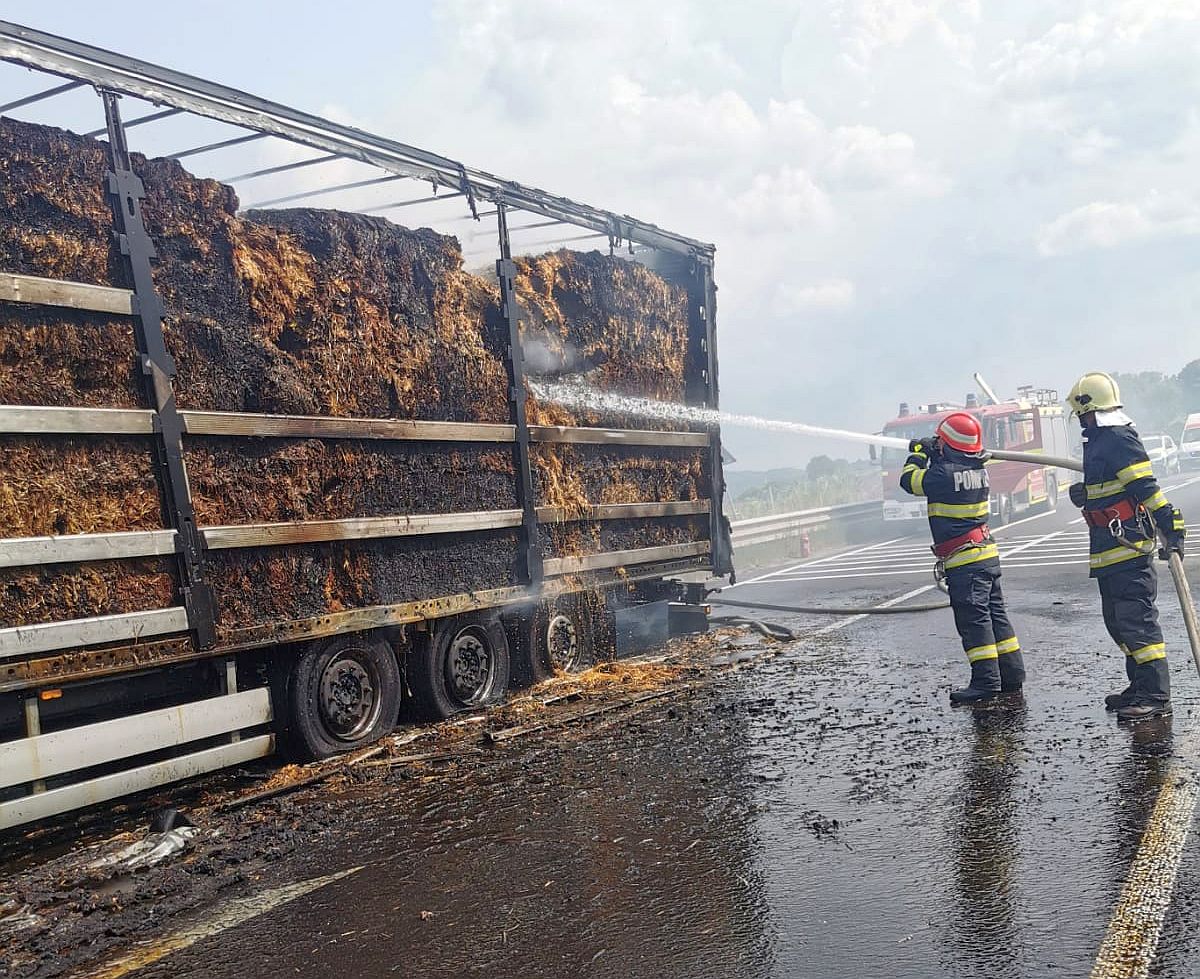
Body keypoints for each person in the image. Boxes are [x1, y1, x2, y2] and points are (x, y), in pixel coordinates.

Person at [1065, 371, 1187, 721]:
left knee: (1137, 622)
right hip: (1107, 548)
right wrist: (1085, 495)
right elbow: (1111, 488)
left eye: (1082, 414)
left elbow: (1144, 486)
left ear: (1093, 409)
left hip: (1128, 547)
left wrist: (1170, 525)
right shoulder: (1099, 442)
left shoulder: (1117, 437)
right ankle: (1139, 686)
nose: (1081, 421)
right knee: (1117, 622)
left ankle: (1155, 695)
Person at [899, 412, 1025, 703]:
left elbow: (909, 482)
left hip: (966, 563)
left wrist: (919, 453)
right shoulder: (978, 469)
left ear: (948, 443)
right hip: (985, 556)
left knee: (974, 621)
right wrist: (939, 452)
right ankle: (1011, 675)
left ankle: (986, 682)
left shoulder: (943, 474)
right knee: (996, 618)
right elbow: (954, 468)